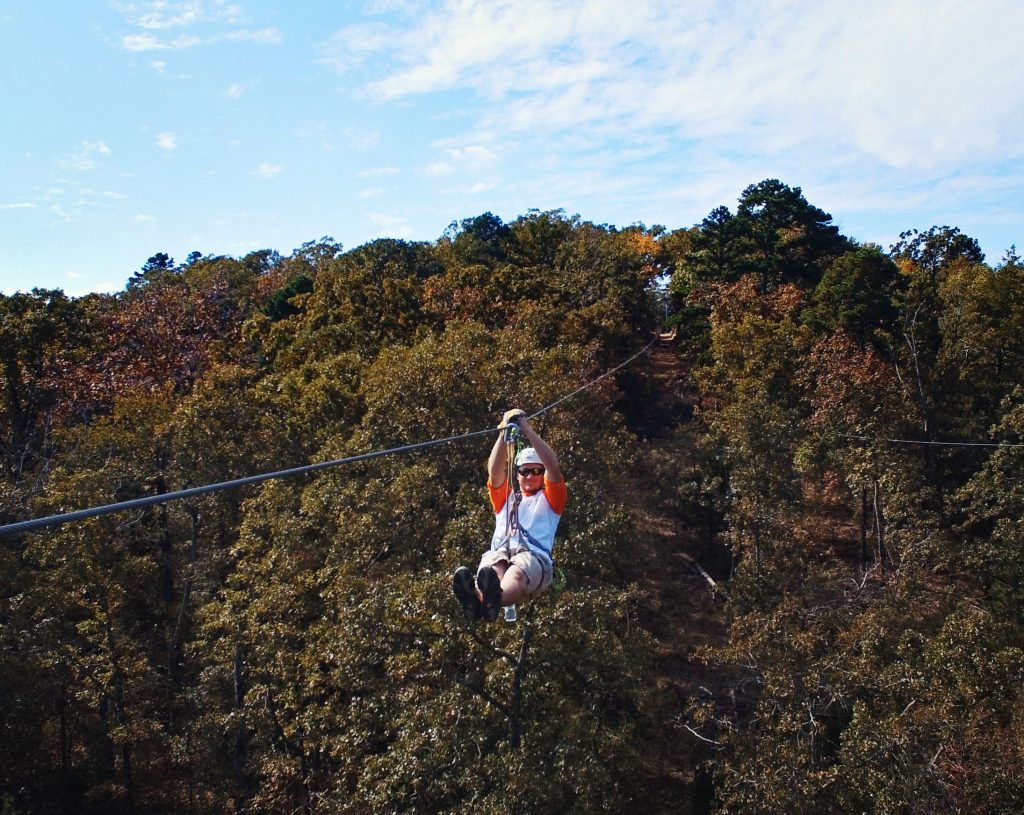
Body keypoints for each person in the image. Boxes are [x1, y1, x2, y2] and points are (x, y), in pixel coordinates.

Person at [452, 409, 568, 621]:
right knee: (493, 570)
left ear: (542, 475)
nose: (530, 476)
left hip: (533, 556)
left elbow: (553, 467)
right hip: (501, 550)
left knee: (515, 573)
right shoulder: (506, 499)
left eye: (536, 471)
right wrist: (503, 435)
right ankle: (479, 602)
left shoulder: (551, 499)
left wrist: (527, 429)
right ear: (517, 474)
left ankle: (491, 601)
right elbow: (495, 473)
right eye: (524, 471)